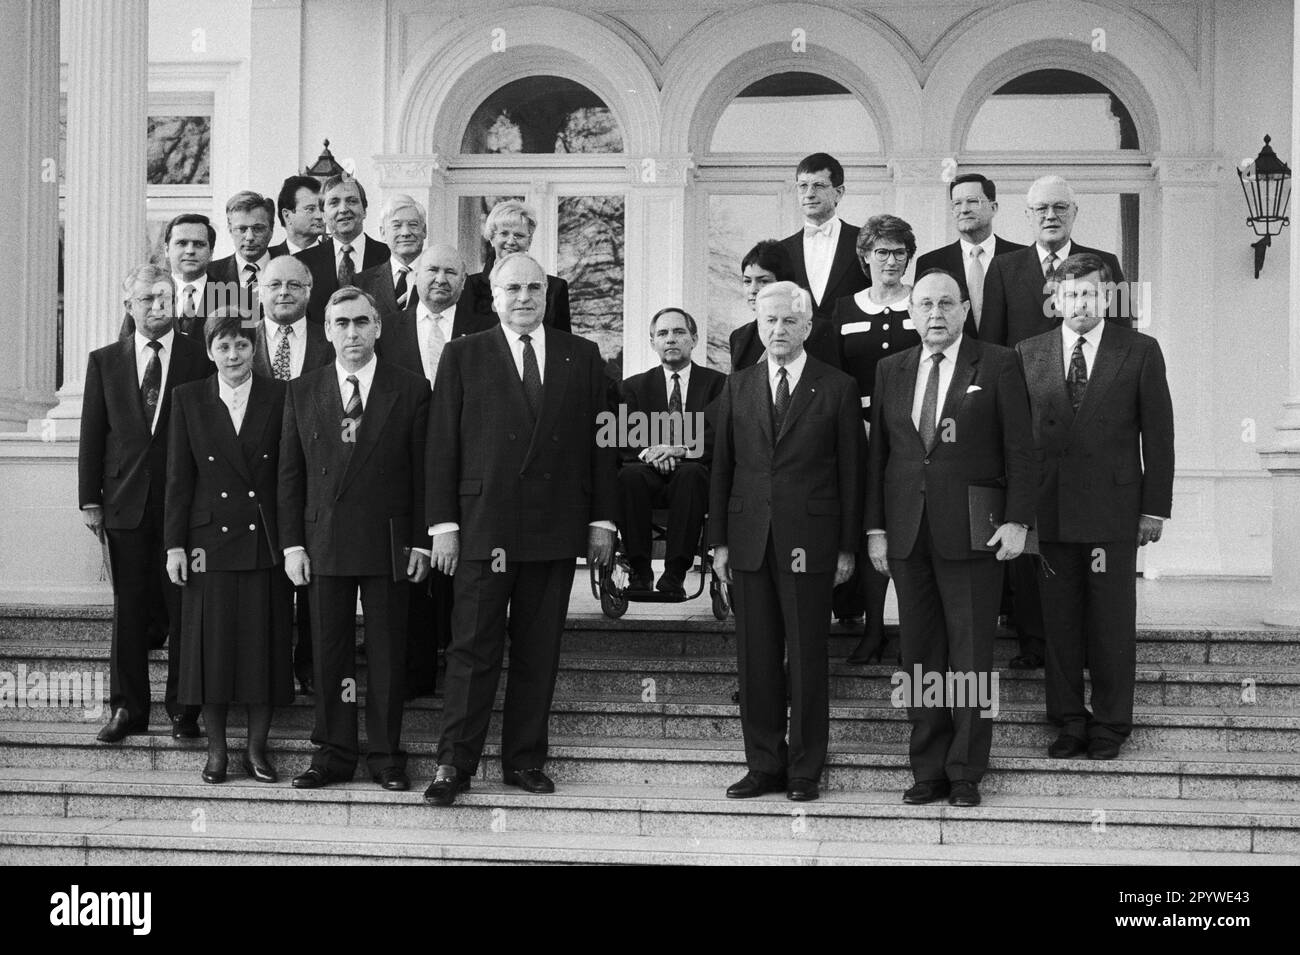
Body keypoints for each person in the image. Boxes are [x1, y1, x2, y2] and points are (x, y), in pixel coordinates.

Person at [423, 253, 617, 807]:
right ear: (493, 296)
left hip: (553, 528)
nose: (525, 297)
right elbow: (442, 446)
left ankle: (525, 760)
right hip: (483, 528)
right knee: (472, 649)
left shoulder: (583, 356)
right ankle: (453, 763)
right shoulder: (463, 355)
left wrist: (602, 520)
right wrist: (443, 526)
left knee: (539, 650)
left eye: (535, 288)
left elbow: (599, 445)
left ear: (548, 295)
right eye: (513, 288)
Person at [865, 268, 1037, 808]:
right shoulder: (890, 368)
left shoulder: (1000, 362)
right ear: (910, 312)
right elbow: (881, 459)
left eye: (946, 304)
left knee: (970, 655)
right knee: (918, 655)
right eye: (924, 305)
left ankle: (965, 770)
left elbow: (1023, 450)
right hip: (908, 534)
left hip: (973, 532)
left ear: (964, 309)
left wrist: (1018, 520)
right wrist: (875, 529)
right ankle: (928, 768)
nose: (935, 314)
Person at [1016, 253, 1173, 761]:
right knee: (1059, 622)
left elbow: (1160, 437)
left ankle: (1110, 723)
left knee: (1110, 621)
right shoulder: (1028, 353)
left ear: (1107, 297)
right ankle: (1067, 720)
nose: (1079, 302)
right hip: (1052, 511)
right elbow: (1018, 441)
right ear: (1054, 299)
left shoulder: (1140, 351)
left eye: (1089, 292)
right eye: (1070, 293)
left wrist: (1154, 509)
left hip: (1114, 511)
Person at [710, 282, 861, 803]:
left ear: (808, 326)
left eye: (788, 322)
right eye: (768, 321)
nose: (777, 330)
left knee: (807, 658)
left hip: (812, 542)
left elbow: (851, 475)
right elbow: (723, 470)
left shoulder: (837, 387)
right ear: (757, 324)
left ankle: (804, 768)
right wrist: (720, 545)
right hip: (750, 539)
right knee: (755, 658)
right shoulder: (737, 386)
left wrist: (846, 548)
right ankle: (763, 765)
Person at [278, 286, 432, 791]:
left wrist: (421, 542)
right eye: (341, 323)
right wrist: (293, 544)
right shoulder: (303, 390)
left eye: (361, 322)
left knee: (388, 655)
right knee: (329, 652)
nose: (352, 332)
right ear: (327, 330)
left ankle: (387, 755)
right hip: (324, 542)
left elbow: (423, 474)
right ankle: (334, 752)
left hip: (390, 542)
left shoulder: (409, 389)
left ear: (378, 327)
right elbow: (290, 476)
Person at [980, 175, 1126, 670]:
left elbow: (1121, 345)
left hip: (1089, 436)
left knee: (1085, 550)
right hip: (1030, 433)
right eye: (1040, 208)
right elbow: (994, 348)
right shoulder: (1004, 269)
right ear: (1026, 215)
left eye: (1060, 206)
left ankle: (1081, 643)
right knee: (1030, 541)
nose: (1050, 215)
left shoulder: (1104, 265)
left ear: (1075, 212)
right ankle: (1033, 642)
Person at [79, 264, 213, 743]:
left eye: (165, 297)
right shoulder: (104, 361)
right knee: (130, 609)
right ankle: (127, 710)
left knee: (185, 609)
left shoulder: (200, 359)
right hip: (124, 505)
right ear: (128, 306)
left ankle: (184, 710)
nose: (158, 306)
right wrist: (89, 501)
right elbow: (93, 433)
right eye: (147, 299)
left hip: (187, 507)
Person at [164, 311, 293, 784]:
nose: (234, 355)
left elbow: (288, 475)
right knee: (210, 651)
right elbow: (178, 478)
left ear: (253, 349)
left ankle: (257, 750)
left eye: (242, 346)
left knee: (264, 648)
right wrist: (174, 545)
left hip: (265, 539)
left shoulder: (280, 395)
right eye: (224, 347)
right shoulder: (189, 398)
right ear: (210, 351)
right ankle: (217, 751)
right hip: (206, 544)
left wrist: (294, 542)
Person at [373, 242, 492, 698]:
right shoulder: (387, 331)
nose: (440, 279)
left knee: (456, 572)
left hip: (465, 470)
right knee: (410, 571)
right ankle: (416, 670)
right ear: (415, 276)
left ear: (464, 282)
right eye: (432, 270)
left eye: (450, 272)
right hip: (400, 470)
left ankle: (456, 667)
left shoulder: (485, 331)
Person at [832, 214, 922, 662]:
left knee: (907, 529)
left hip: (915, 438)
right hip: (859, 435)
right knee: (870, 526)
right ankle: (872, 628)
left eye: (899, 252)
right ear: (865, 257)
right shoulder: (844, 309)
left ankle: (914, 629)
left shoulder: (924, 303)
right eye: (881, 252)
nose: (891, 260)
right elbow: (833, 376)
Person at [253, 255, 334, 694]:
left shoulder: (330, 340)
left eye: (294, 285)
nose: (283, 292)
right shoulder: (240, 341)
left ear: (309, 292)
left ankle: (310, 666)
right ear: (260, 292)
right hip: (256, 479)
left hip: (316, 475)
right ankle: (272, 670)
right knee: (267, 582)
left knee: (314, 576)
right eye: (274, 285)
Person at [617, 307, 726, 595]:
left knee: (691, 475)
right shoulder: (633, 387)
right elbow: (623, 434)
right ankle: (639, 573)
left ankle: (674, 575)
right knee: (629, 478)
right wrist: (651, 452)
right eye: (662, 333)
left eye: (679, 332)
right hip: (648, 475)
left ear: (694, 339)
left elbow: (720, 433)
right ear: (652, 342)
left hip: (694, 474)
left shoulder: (719, 385)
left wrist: (679, 451)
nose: (671, 339)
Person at [913, 173, 1026, 338]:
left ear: (993, 208)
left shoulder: (1022, 258)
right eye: (957, 203)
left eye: (973, 201)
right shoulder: (931, 263)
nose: (964, 210)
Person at [778, 153, 870, 322]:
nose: (809, 194)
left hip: (851, 345)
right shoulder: (781, 251)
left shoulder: (866, 241)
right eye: (803, 186)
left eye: (819, 185)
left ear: (839, 193)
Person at [459, 199, 572, 333]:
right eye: (504, 233)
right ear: (491, 238)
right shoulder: (469, 287)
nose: (511, 241)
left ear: (529, 241)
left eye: (519, 235)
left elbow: (562, 342)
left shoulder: (555, 289)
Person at [730, 240, 840, 371]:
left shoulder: (818, 331)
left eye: (763, 281)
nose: (753, 289)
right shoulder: (738, 337)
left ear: (784, 283)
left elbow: (829, 384)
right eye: (747, 281)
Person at [296, 176, 391, 323]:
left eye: (352, 201)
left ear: (364, 210)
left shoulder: (388, 256)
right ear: (323, 214)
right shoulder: (302, 263)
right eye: (334, 202)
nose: (343, 209)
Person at [119, 214, 217, 339]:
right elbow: (126, 348)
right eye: (182, 243)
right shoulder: (143, 295)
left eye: (199, 244)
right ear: (166, 249)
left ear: (211, 252)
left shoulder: (233, 297)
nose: (190, 251)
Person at [355, 194, 428, 324]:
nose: (405, 232)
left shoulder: (441, 278)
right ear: (383, 233)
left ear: (424, 231)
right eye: (397, 226)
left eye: (413, 224)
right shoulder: (362, 283)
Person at [207, 191, 282, 294]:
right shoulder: (210, 272)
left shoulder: (291, 268)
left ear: (271, 229)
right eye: (242, 229)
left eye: (258, 228)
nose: (249, 237)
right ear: (230, 230)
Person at [271, 175, 325, 257]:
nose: (320, 216)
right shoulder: (268, 258)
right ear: (287, 216)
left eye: (322, 208)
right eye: (310, 209)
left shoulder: (335, 257)